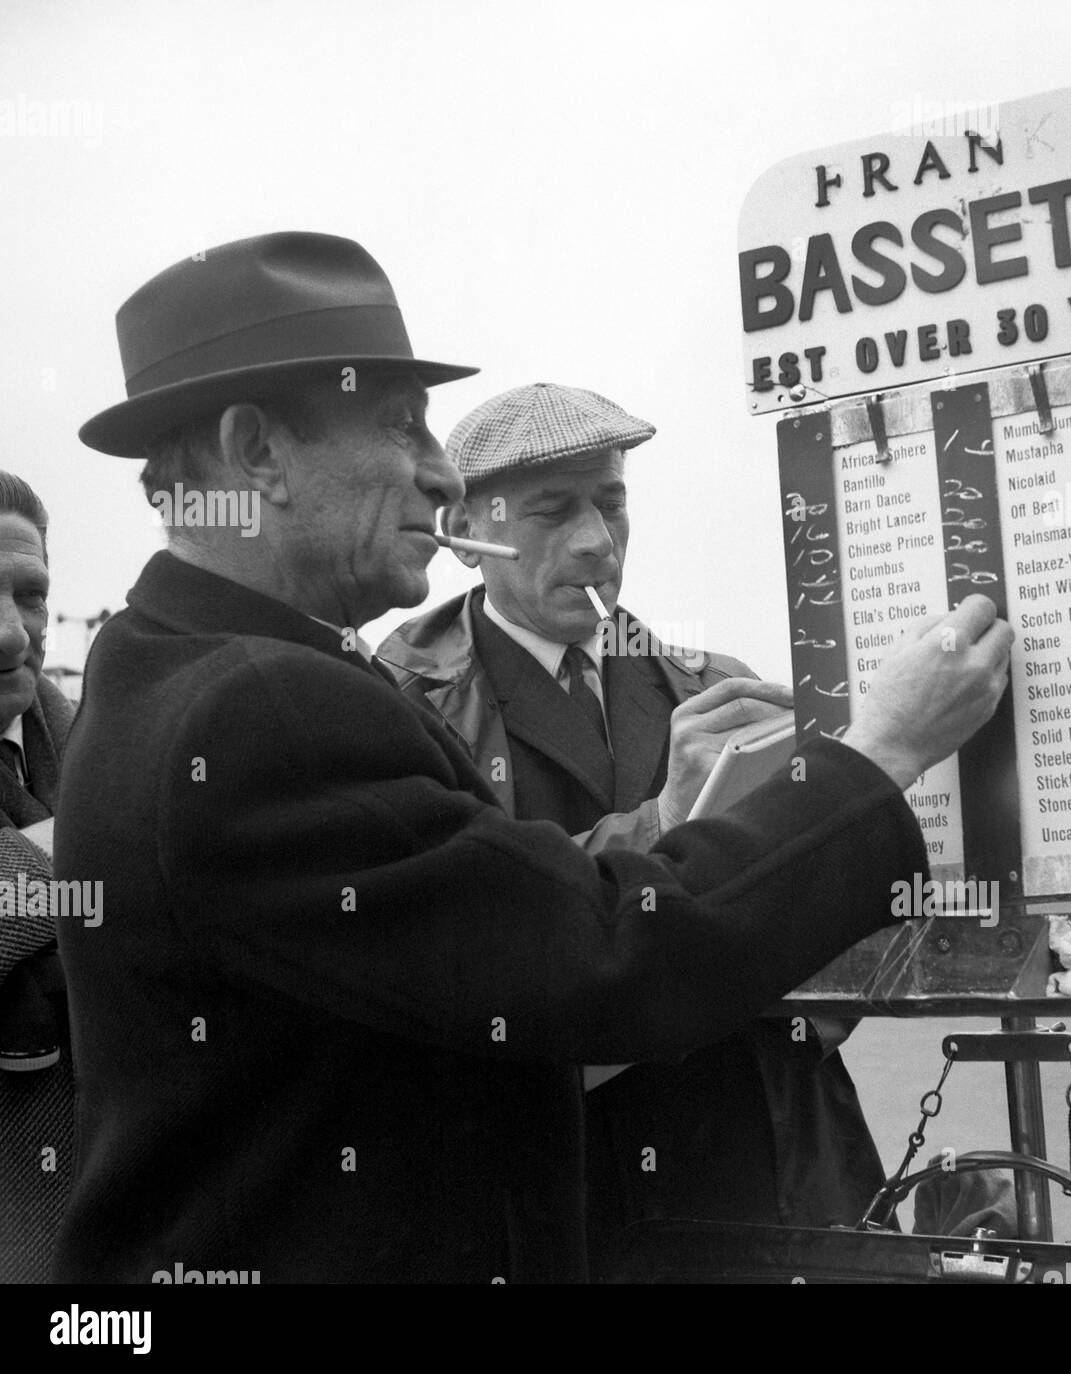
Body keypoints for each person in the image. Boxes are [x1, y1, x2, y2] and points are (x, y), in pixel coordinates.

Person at [55, 231, 1012, 1283]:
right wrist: (881, 750)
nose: (434, 470)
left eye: (611, 502)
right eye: (397, 426)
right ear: (255, 454)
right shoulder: (260, 707)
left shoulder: (174, 663)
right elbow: (592, 956)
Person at [378, 382, 890, 1276]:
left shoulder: (716, 686)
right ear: (465, 534)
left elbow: (830, 950)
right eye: (552, 511)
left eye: (611, 503)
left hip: (751, 1159)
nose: (595, 542)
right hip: (556, 1184)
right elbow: (481, 922)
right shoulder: (397, 704)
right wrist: (667, 819)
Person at [0, 473, 77, 1282]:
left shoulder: (94, 738)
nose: (12, 635)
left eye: (31, 594)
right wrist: (98, 841)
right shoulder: (125, 774)